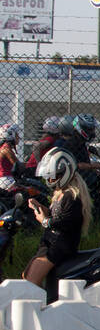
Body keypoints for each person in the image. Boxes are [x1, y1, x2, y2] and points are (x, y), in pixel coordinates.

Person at [23, 149, 92, 293]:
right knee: (27, 276)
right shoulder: (62, 194)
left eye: (53, 177)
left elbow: (66, 222)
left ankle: (40, 310)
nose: (49, 181)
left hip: (59, 246)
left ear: (64, 174)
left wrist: (44, 221)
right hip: (51, 243)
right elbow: (57, 216)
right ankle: (46, 303)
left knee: (30, 283)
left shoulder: (72, 196)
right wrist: (41, 208)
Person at [0, 124, 21, 202]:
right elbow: (17, 164)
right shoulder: (6, 148)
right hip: (6, 179)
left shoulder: (4, 147)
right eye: (16, 135)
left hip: (5, 178)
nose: (18, 137)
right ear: (10, 135)